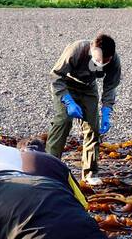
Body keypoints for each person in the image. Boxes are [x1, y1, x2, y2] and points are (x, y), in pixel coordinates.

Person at [47, 34, 121, 186]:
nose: (99, 64)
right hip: (66, 85)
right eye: (96, 60)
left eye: (103, 62)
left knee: (93, 128)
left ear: (110, 57)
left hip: (88, 88)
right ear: (91, 50)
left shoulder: (114, 61)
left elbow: (110, 86)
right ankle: (50, 167)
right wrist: (68, 101)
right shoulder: (77, 49)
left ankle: (90, 172)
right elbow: (55, 76)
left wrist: (107, 110)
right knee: (63, 122)